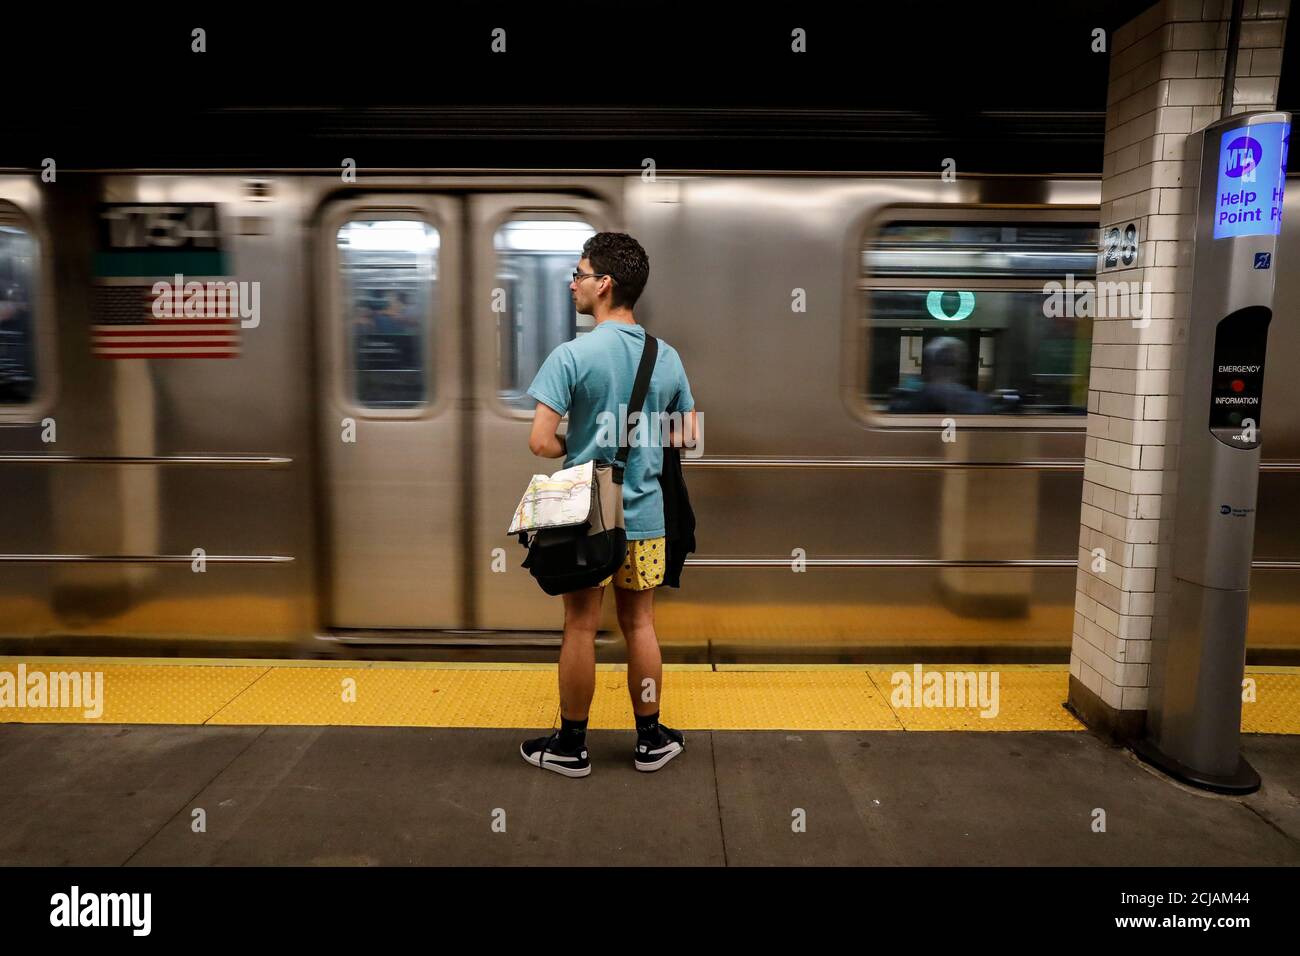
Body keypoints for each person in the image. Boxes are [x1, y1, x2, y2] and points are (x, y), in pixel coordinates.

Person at [519, 232, 697, 778]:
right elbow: (686, 434)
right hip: (645, 517)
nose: (573, 283)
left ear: (605, 284)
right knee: (640, 625)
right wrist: (637, 441)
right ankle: (650, 741)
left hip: (588, 518)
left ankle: (571, 746)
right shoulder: (665, 357)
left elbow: (540, 442)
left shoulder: (572, 356)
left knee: (579, 626)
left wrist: (587, 445)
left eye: (579, 273)